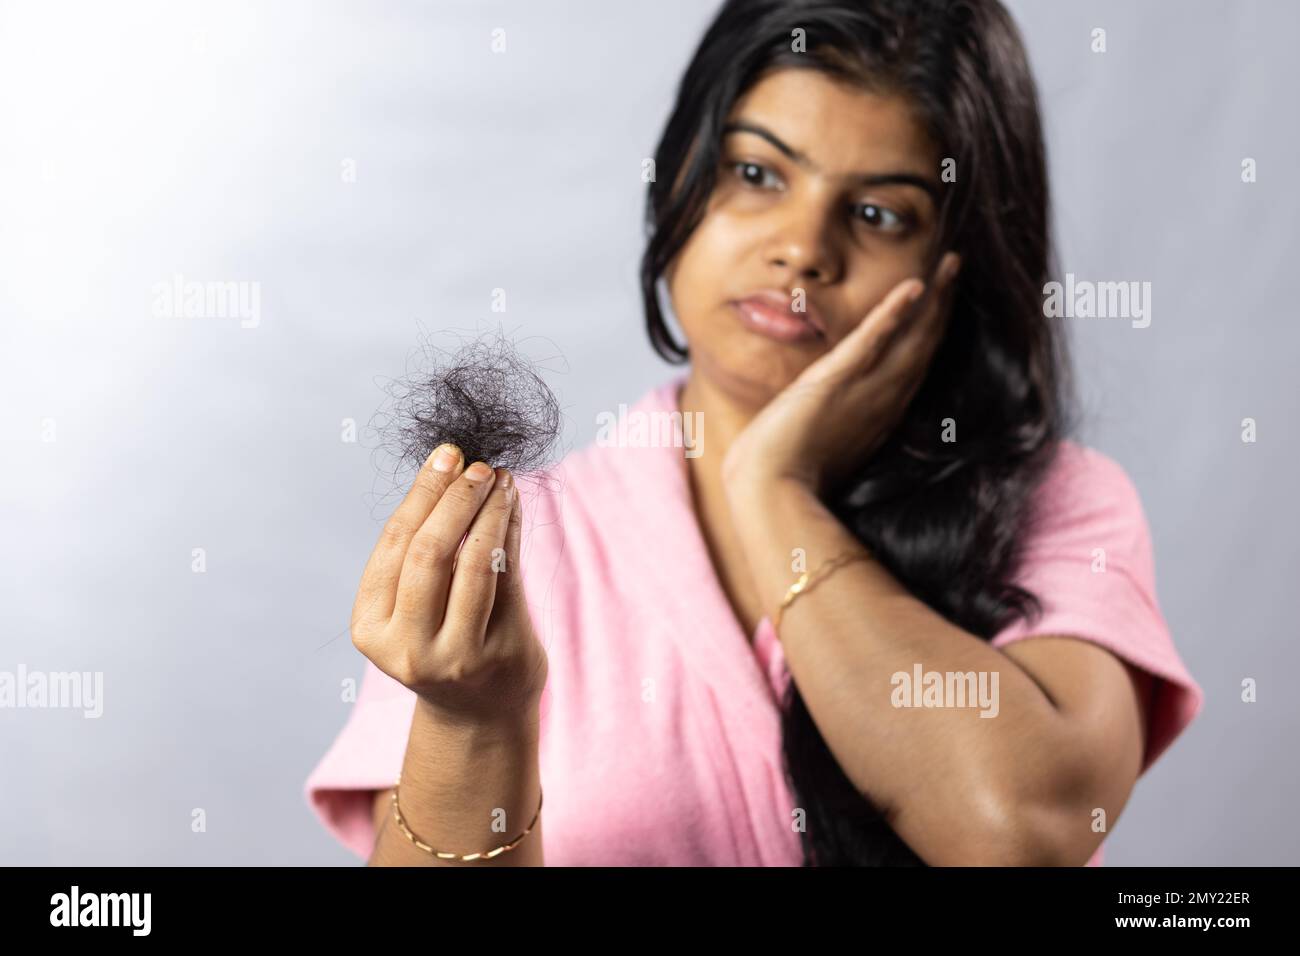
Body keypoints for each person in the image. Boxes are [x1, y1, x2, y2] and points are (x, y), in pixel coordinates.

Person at [304, 0, 1202, 866]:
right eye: (758, 173)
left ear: (953, 269)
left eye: (879, 213)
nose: (802, 247)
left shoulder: (1059, 510)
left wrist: (775, 488)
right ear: (680, 180)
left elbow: (1018, 837)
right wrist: (473, 721)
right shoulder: (526, 540)